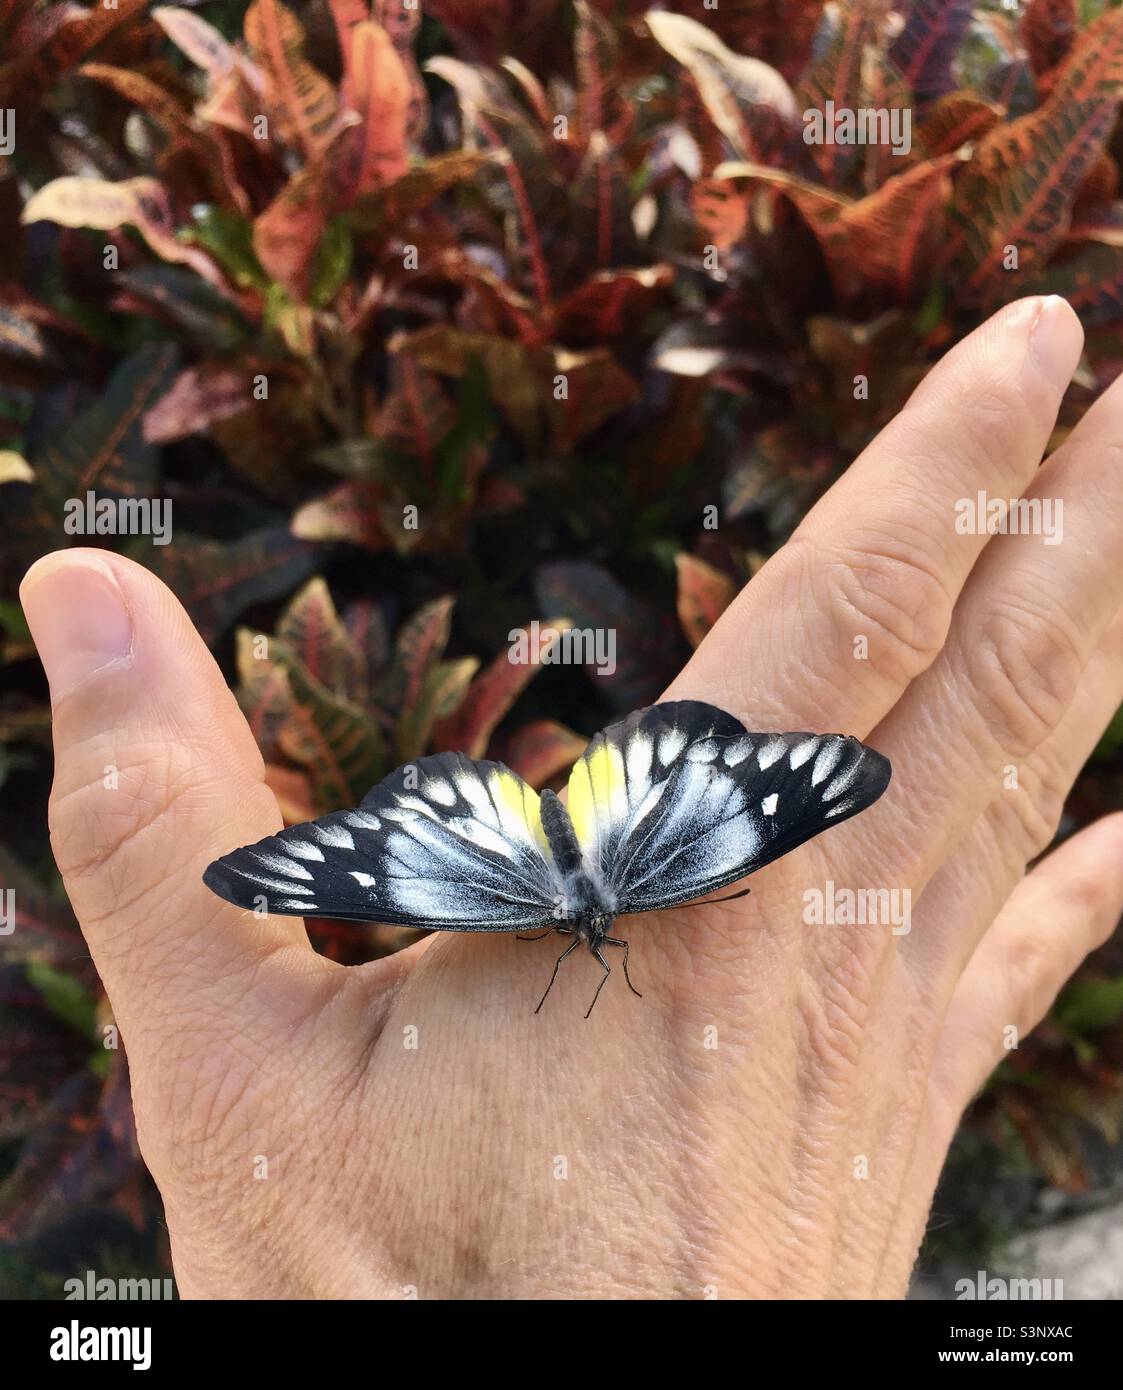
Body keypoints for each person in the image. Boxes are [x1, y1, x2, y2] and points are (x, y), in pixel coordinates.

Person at [19, 295, 1123, 1299]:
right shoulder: (600, 904)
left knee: (756, 805)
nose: (591, 941)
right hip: (614, 833)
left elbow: (772, 796)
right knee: (753, 812)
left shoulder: (551, 913)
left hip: (530, 852)